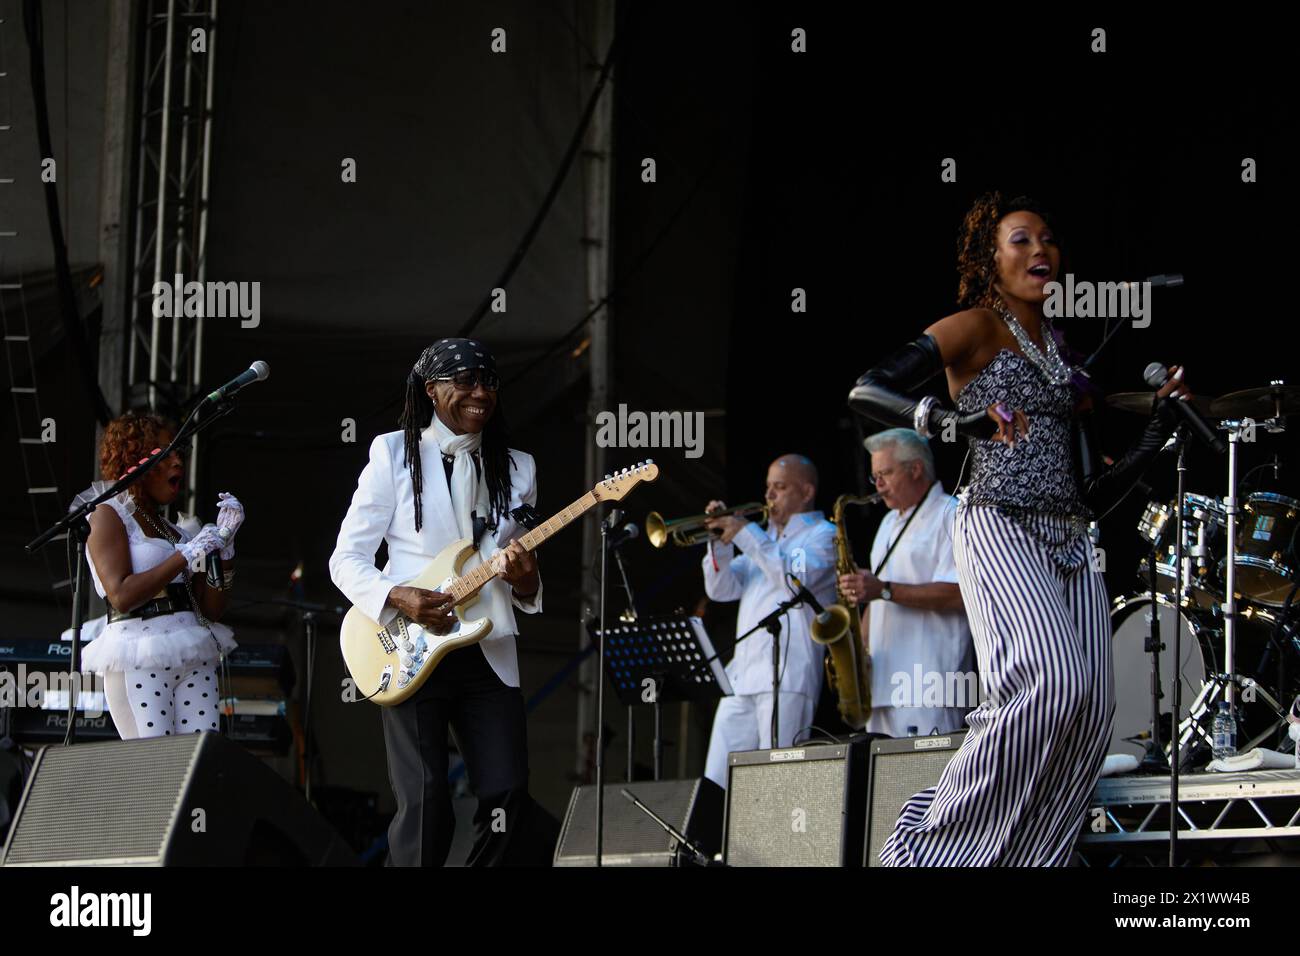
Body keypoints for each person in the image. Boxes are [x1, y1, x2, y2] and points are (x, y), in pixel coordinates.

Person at [849, 192, 1192, 865]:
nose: (1041, 251)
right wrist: (953, 423)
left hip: (1071, 539)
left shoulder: (1061, 361)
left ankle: (1034, 859)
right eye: (1021, 240)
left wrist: (1156, 429)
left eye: (1048, 240)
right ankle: (925, 850)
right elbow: (868, 388)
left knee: (1092, 712)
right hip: (998, 523)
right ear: (988, 260)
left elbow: (1092, 490)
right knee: (1051, 678)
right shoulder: (975, 325)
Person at [329, 337, 543, 866]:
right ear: (432, 390)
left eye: (488, 383)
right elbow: (345, 558)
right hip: (410, 645)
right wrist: (398, 595)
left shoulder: (519, 468)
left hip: (487, 645)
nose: (480, 393)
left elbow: (518, 574)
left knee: (506, 793)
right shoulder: (392, 453)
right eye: (466, 381)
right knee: (426, 801)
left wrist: (527, 579)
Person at [83, 412, 241, 739]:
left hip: (191, 650)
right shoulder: (108, 514)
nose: (177, 462)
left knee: (197, 765)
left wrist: (225, 550)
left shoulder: (177, 531)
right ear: (134, 460)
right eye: (165, 454)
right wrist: (185, 555)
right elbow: (121, 595)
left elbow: (210, 609)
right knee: (157, 769)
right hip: (139, 651)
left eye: (178, 453)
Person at [700, 454, 836, 787]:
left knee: (775, 783)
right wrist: (719, 544)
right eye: (768, 488)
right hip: (742, 677)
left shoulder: (823, 534)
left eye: (780, 487)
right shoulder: (765, 540)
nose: (769, 496)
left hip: (787, 676)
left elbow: (793, 577)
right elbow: (722, 590)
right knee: (716, 781)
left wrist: (746, 533)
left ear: (806, 492)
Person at [838, 429, 973, 738]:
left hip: (928, 683)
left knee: (926, 782)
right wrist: (858, 655)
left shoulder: (951, 514)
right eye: (875, 477)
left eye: (885, 473)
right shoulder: (888, 522)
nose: (878, 485)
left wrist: (883, 588)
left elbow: (960, 594)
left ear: (915, 469)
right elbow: (879, 595)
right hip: (883, 684)